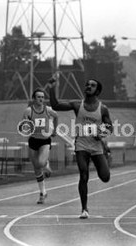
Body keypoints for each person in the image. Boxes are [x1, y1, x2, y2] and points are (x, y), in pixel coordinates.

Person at [48, 78, 113, 219]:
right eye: (87, 84)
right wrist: (51, 88)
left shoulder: (103, 109)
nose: (89, 86)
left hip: (96, 146)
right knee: (84, 175)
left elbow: (110, 127)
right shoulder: (77, 105)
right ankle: (84, 209)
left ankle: (106, 157)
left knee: (105, 177)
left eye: (92, 85)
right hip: (81, 145)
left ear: (98, 91)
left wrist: (101, 134)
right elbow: (55, 105)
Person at [22, 88, 58, 204]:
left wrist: (54, 131)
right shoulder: (28, 111)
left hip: (45, 140)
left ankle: (46, 163)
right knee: (36, 167)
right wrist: (26, 129)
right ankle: (43, 192)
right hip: (33, 140)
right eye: (39, 97)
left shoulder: (48, 110)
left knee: (41, 163)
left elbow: (56, 116)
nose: (41, 99)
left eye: (42, 97)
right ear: (34, 99)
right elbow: (24, 125)